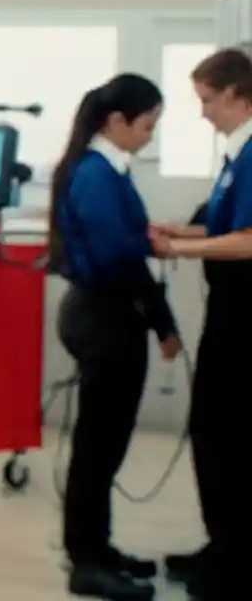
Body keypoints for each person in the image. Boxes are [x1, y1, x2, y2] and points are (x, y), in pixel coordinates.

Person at [47, 73, 181, 600]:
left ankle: (97, 548)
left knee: (103, 447)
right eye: (147, 125)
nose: (150, 136)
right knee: (97, 449)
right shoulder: (96, 174)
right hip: (104, 319)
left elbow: (123, 241)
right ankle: (86, 563)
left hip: (110, 316)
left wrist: (147, 238)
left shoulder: (106, 170)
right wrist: (163, 321)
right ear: (117, 121)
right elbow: (117, 257)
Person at [150, 46, 252, 600]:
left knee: (225, 436)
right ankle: (223, 545)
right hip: (227, 312)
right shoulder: (237, 157)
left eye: (209, 100)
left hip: (244, 320)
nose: (204, 113)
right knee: (215, 433)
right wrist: (178, 232)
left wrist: (182, 251)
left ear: (237, 94)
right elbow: (222, 224)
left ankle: (233, 562)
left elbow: (248, 240)